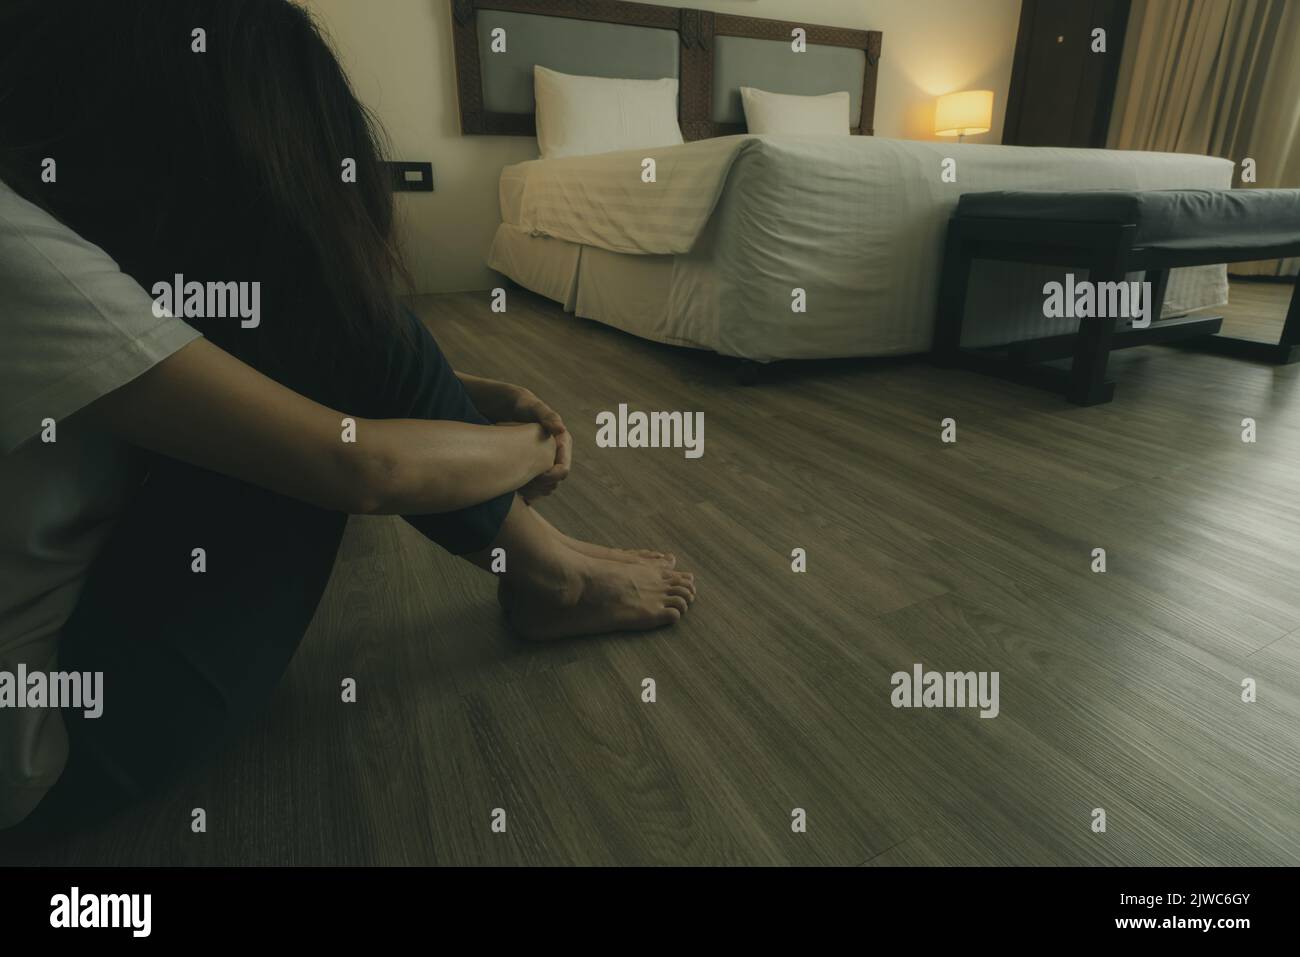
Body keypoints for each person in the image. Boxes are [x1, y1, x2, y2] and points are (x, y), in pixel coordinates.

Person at [0, 0, 695, 834]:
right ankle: (555, 574)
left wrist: (456, 388)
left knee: (329, 326)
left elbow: (165, 354)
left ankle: (549, 562)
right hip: (58, 748)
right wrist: (528, 444)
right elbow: (363, 469)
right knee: (334, 320)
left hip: (56, 682)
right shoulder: (22, 251)